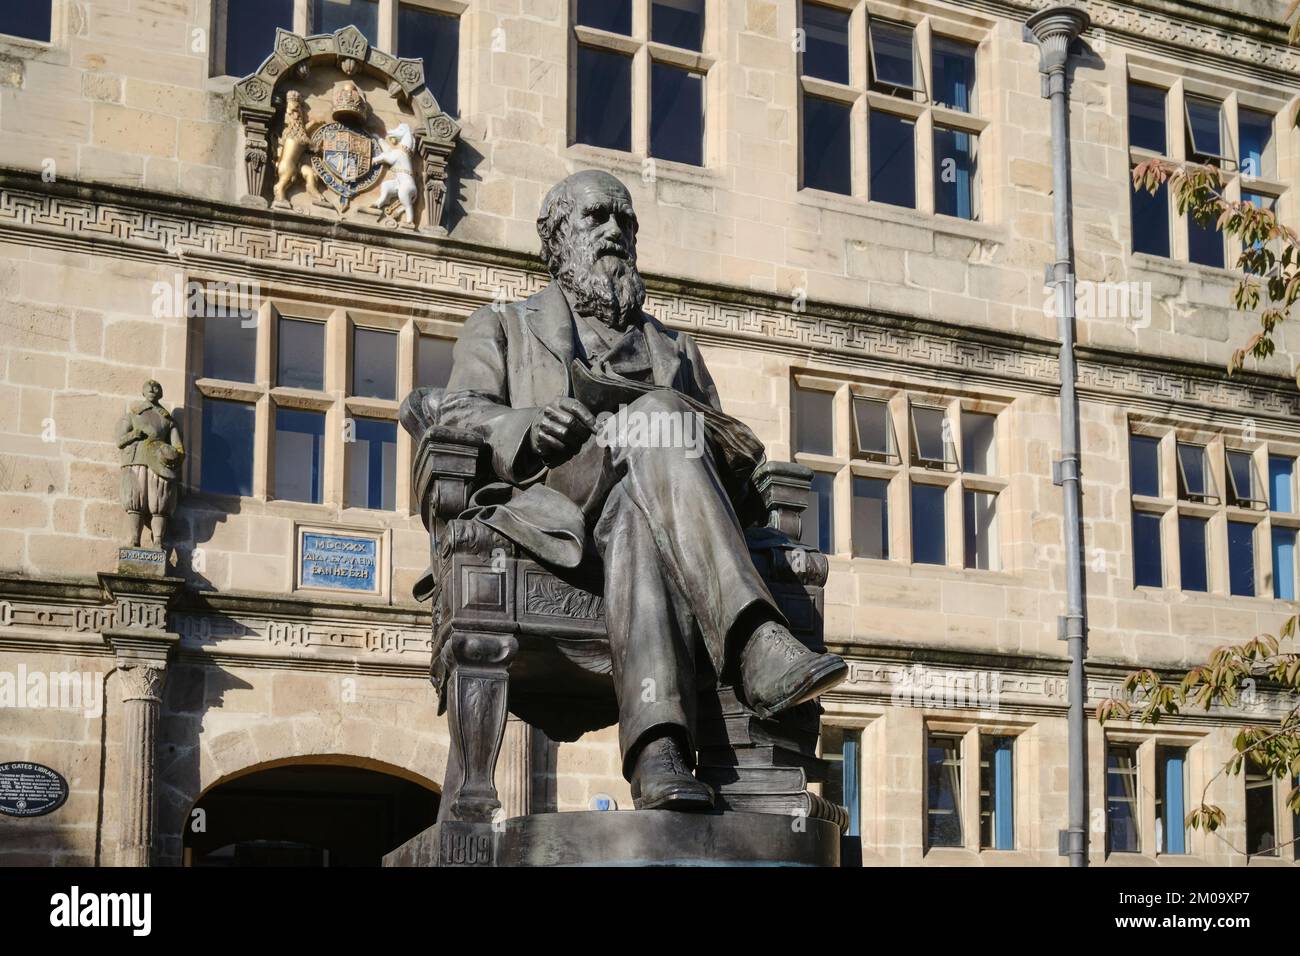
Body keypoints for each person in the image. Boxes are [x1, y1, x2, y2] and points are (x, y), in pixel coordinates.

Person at [431, 170, 848, 810]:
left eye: (626, 223)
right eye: (597, 217)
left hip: (639, 511)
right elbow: (455, 410)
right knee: (659, 415)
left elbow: (721, 445)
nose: (614, 233)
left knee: (641, 495)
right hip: (554, 500)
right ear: (555, 238)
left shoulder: (675, 348)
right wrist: (527, 426)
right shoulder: (504, 326)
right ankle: (753, 640)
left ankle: (660, 753)